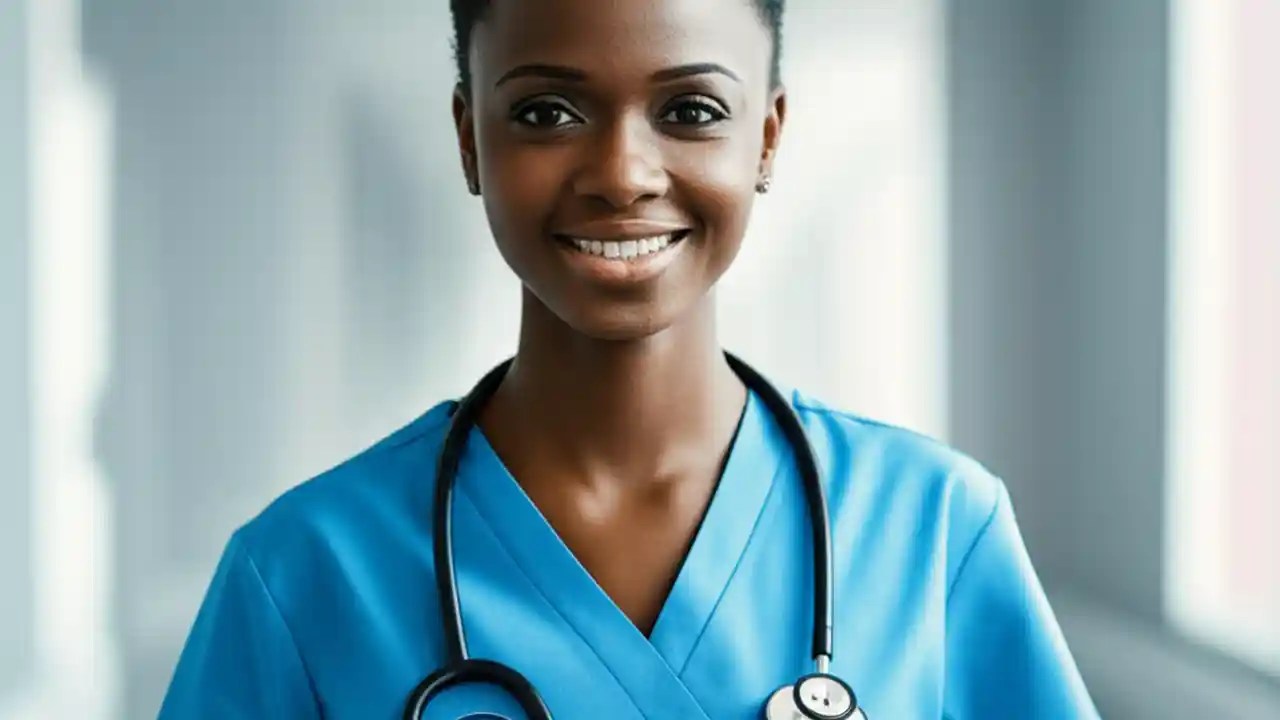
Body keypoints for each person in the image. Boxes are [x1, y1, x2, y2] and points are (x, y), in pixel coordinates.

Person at [159, 0, 1099, 717]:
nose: (621, 173)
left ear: (766, 137)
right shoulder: (302, 573)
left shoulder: (934, 531)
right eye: (546, 112)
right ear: (467, 139)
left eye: (690, 109)